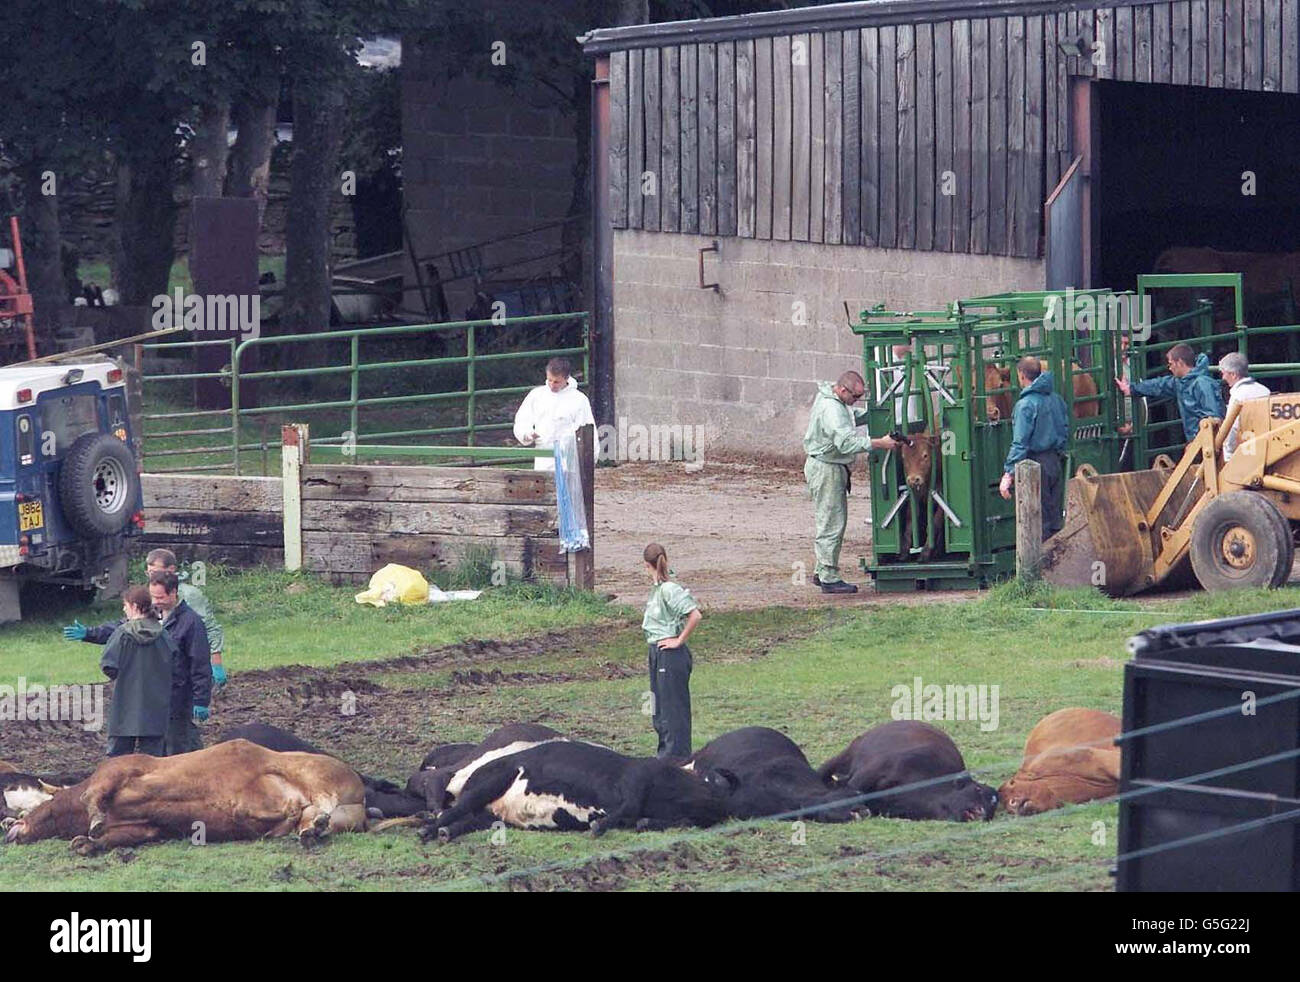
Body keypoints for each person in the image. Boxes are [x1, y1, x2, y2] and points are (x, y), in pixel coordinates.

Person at [803, 370, 905, 594]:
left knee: (830, 520)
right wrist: (880, 443)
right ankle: (829, 577)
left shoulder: (835, 400)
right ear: (842, 390)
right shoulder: (832, 409)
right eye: (855, 397)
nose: (855, 401)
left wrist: (873, 413)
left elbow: (850, 415)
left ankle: (822, 571)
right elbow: (846, 443)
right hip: (827, 468)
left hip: (828, 465)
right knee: (832, 523)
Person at [99, 585, 176, 758]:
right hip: (156, 708)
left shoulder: (122, 634)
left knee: (116, 763)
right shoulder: (164, 634)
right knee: (155, 765)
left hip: (125, 707)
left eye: (125, 605)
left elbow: (108, 665)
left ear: (134, 606)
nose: (123, 609)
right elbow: (174, 664)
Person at [642, 543, 700, 762]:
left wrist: (679, 640)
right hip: (657, 651)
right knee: (659, 709)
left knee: (672, 711)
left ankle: (675, 759)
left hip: (669, 654)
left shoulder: (669, 589)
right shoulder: (658, 589)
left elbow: (695, 615)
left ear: (646, 565)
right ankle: (665, 755)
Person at [999, 357, 1069, 540]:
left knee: (1039, 521)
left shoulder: (1025, 406)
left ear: (1021, 376)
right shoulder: (1056, 400)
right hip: (1054, 462)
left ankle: (1041, 567)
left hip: (1034, 465)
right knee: (1055, 519)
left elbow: (1020, 442)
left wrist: (1008, 474)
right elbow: (1064, 430)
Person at [147, 570, 213, 755]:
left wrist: (201, 700)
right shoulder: (152, 617)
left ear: (174, 592)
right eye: (153, 597)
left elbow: (199, 663)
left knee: (179, 745)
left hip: (179, 697)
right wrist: (91, 634)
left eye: (160, 597)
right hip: (155, 696)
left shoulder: (191, 622)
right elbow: (123, 627)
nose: (156, 602)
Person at [145, 548, 226, 689]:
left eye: (155, 572)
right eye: (149, 573)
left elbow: (209, 627)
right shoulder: (153, 593)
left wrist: (216, 663)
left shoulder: (189, 595)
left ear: (171, 569)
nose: (151, 577)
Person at [1116, 343, 1224, 444]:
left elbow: (1213, 417)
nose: (1170, 368)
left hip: (1206, 441)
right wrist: (1131, 389)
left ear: (1180, 362)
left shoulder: (1202, 383)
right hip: (1199, 440)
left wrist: (1201, 441)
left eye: (1171, 363)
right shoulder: (1181, 382)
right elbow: (1158, 385)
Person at [512, 357, 595, 471]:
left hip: (569, 457)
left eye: (556, 382)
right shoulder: (537, 395)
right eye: (549, 380)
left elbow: (588, 430)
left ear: (566, 378)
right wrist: (527, 434)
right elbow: (523, 419)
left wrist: (589, 460)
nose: (552, 385)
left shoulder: (579, 400)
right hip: (544, 454)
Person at [1219, 352, 1270, 461]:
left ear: (1233, 374)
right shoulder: (1264, 390)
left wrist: (1228, 452)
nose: (1223, 377)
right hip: (1267, 447)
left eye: (1224, 373)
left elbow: (1233, 426)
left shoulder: (1238, 395)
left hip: (1247, 450)